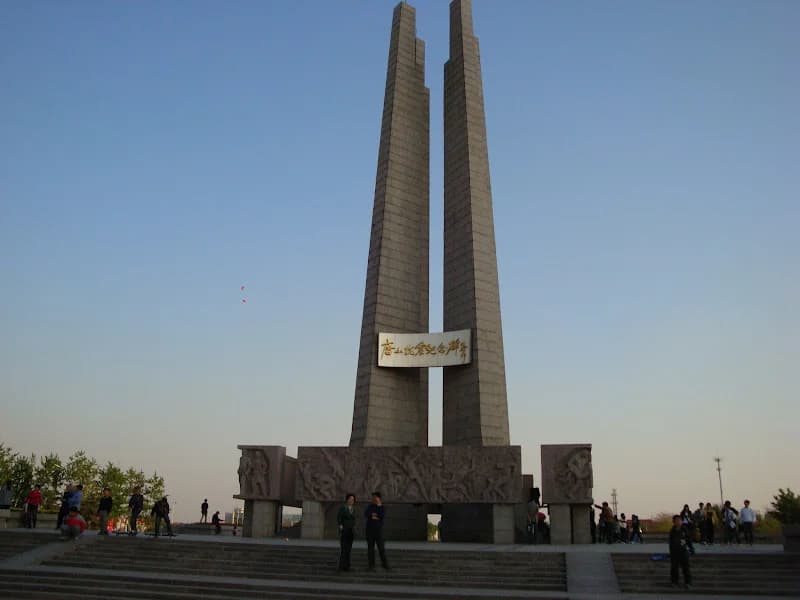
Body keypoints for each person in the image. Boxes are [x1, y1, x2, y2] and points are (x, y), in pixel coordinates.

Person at [364, 491, 389, 570]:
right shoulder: (370, 506)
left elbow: (381, 516)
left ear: (379, 498)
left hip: (378, 531)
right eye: (373, 497)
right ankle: (371, 565)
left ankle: (385, 565)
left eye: (375, 497)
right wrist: (373, 515)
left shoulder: (382, 507)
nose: (373, 499)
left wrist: (374, 515)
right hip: (369, 531)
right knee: (370, 549)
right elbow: (366, 513)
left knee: (381, 548)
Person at [669, 514, 692, 589]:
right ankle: (674, 582)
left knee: (686, 569)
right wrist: (671, 552)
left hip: (683, 552)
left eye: (680, 520)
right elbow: (670, 542)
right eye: (677, 520)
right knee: (674, 569)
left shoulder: (685, 530)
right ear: (674, 522)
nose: (678, 522)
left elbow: (688, 540)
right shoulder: (672, 531)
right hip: (675, 553)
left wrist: (691, 548)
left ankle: (688, 583)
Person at [337, 493, 356, 571]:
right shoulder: (343, 508)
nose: (351, 501)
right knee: (344, 549)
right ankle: (341, 566)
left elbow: (354, 519)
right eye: (350, 499)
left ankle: (347, 566)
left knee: (349, 549)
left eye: (353, 500)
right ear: (347, 500)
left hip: (351, 531)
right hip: (344, 530)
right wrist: (340, 525)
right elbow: (339, 517)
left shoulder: (353, 509)